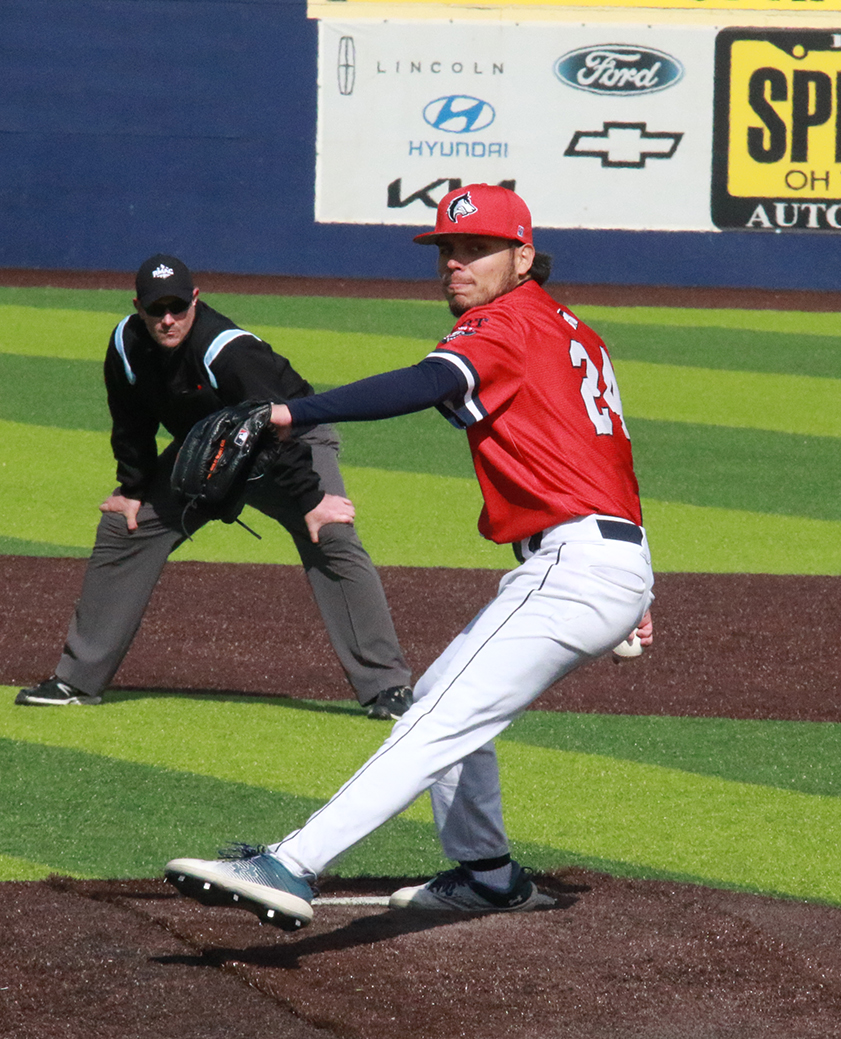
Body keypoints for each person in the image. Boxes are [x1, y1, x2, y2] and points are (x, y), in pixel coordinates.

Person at [163, 185, 654, 930]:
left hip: (574, 566)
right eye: (448, 250)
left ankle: (290, 864)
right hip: (600, 557)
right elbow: (602, 452)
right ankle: (488, 875)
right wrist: (635, 583)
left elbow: (430, 382)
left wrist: (294, 411)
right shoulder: (571, 330)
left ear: (523, 256)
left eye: (477, 250)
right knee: (441, 705)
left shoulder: (504, 322)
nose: (456, 265)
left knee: (437, 725)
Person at [15, 254, 414, 718]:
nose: (167, 319)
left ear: (195, 300)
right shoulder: (127, 344)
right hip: (208, 449)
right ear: (137, 307)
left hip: (289, 443)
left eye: (177, 307)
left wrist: (311, 499)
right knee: (125, 525)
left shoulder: (227, 349)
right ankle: (76, 680)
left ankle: (387, 687)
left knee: (331, 534)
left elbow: (273, 423)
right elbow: (130, 418)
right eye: (156, 309)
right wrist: (134, 485)